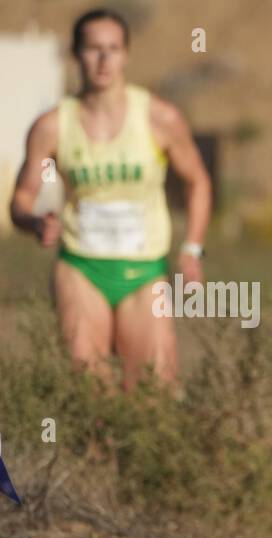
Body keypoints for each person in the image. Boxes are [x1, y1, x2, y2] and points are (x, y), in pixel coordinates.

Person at [9, 7, 211, 392]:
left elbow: (198, 181)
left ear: (126, 55)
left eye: (113, 49)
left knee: (155, 394)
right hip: (81, 270)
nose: (103, 60)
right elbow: (20, 198)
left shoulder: (159, 118)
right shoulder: (52, 126)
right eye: (93, 49)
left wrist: (192, 249)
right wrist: (34, 222)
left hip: (144, 271)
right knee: (91, 393)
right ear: (76, 54)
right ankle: (92, 452)